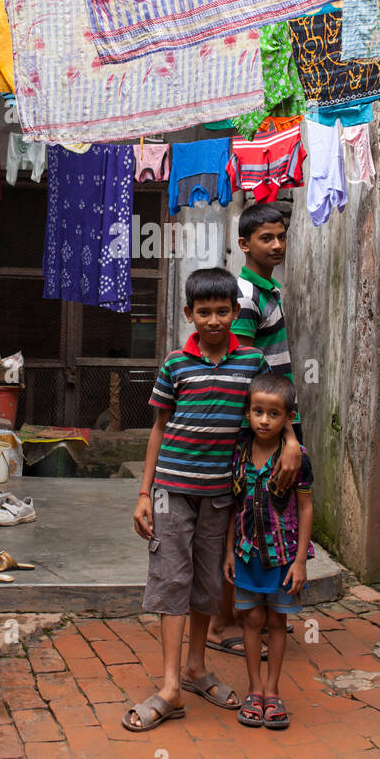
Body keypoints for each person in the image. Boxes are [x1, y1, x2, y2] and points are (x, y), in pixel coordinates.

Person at [123, 268, 270, 731]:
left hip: (221, 496)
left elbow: (279, 412)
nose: (213, 320)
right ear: (189, 314)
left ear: (235, 313)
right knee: (171, 578)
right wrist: (144, 493)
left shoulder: (252, 364)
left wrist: (287, 444)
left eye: (222, 311)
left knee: (208, 581)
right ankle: (170, 685)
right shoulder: (175, 365)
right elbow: (159, 429)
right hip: (171, 491)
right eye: (203, 312)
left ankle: (196, 667)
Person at [209, 203, 302, 656]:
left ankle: (250, 613)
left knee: (263, 512)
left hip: (270, 422)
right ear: (245, 245)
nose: (278, 245)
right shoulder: (245, 295)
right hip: (257, 428)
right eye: (268, 238)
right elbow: (246, 372)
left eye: (282, 236)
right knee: (243, 516)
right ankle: (224, 623)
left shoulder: (268, 290)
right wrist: (284, 436)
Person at [224, 372, 314, 730]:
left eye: (273, 414)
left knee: (277, 621)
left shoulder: (297, 458)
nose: (264, 420)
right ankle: (254, 688)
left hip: (282, 557)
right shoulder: (239, 452)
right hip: (246, 554)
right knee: (251, 619)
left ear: (288, 418)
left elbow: (306, 509)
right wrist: (229, 552)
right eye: (257, 411)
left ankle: (273, 690)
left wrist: (301, 561)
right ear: (248, 413)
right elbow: (234, 505)